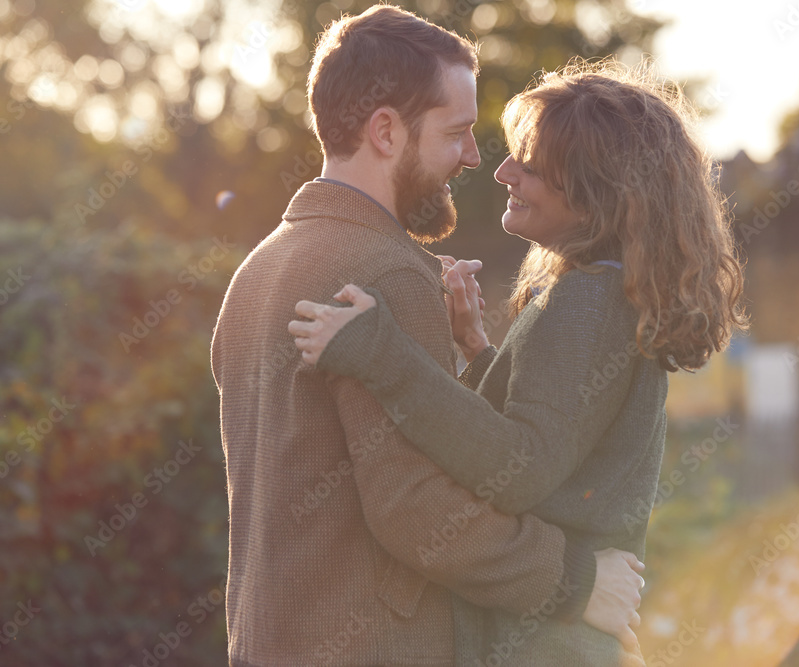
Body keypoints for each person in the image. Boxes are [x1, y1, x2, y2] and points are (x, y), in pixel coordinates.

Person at [211, 7, 645, 666]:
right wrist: (574, 580)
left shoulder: (258, 268)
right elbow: (416, 510)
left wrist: (469, 351)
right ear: (386, 131)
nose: (474, 157)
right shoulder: (387, 270)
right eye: (457, 133)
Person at [288, 59, 749, 664]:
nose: (502, 171)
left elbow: (519, 467)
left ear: (594, 192)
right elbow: (554, 437)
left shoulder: (588, 301)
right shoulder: (606, 294)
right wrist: (479, 352)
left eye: (529, 167)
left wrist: (379, 351)